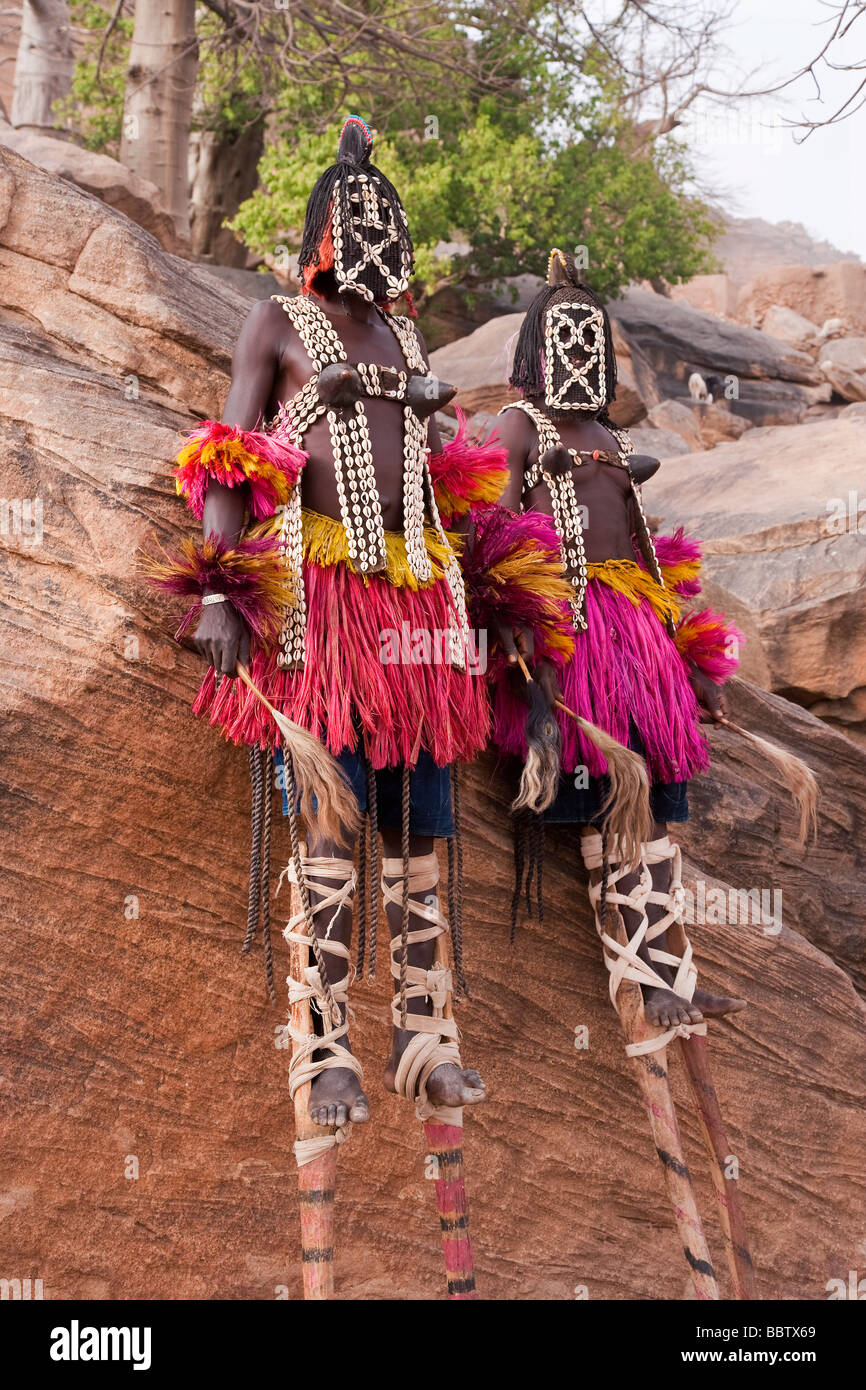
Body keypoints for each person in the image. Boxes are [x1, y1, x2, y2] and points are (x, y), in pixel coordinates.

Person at [154, 117, 514, 1145]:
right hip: (323, 599)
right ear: (317, 235)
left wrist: (492, 598)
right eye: (353, 222)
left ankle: (422, 1035)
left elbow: (442, 474)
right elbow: (229, 457)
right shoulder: (274, 323)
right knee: (330, 811)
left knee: (424, 814)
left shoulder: (406, 339)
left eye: (385, 224)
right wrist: (219, 591)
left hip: (420, 604)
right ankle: (324, 1046)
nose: (373, 241)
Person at [490, 249, 747, 1035]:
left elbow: (643, 551)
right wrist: (514, 621)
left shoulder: (605, 429)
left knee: (653, 809)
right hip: (573, 635)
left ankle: (677, 970)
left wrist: (693, 661)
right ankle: (641, 978)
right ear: (537, 350)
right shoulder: (519, 424)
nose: (574, 353)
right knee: (606, 798)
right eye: (561, 340)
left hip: (636, 632)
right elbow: (495, 525)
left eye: (586, 340)